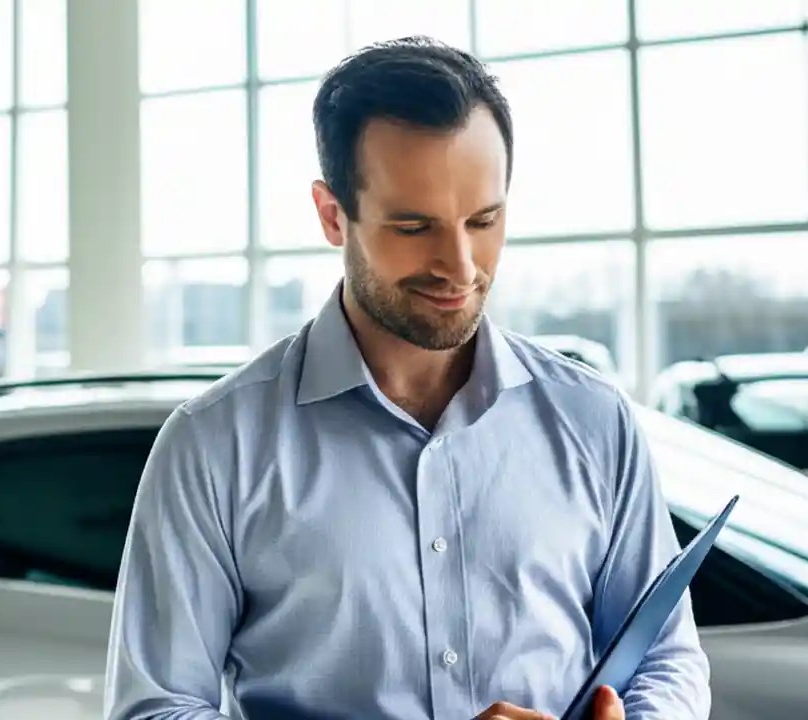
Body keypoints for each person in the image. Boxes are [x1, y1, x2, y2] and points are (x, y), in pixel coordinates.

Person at [104, 36, 710, 720]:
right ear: (334, 215)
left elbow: (666, 658)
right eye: (414, 226)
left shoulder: (595, 420)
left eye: (484, 220)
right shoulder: (215, 444)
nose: (460, 265)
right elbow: (153, 710)